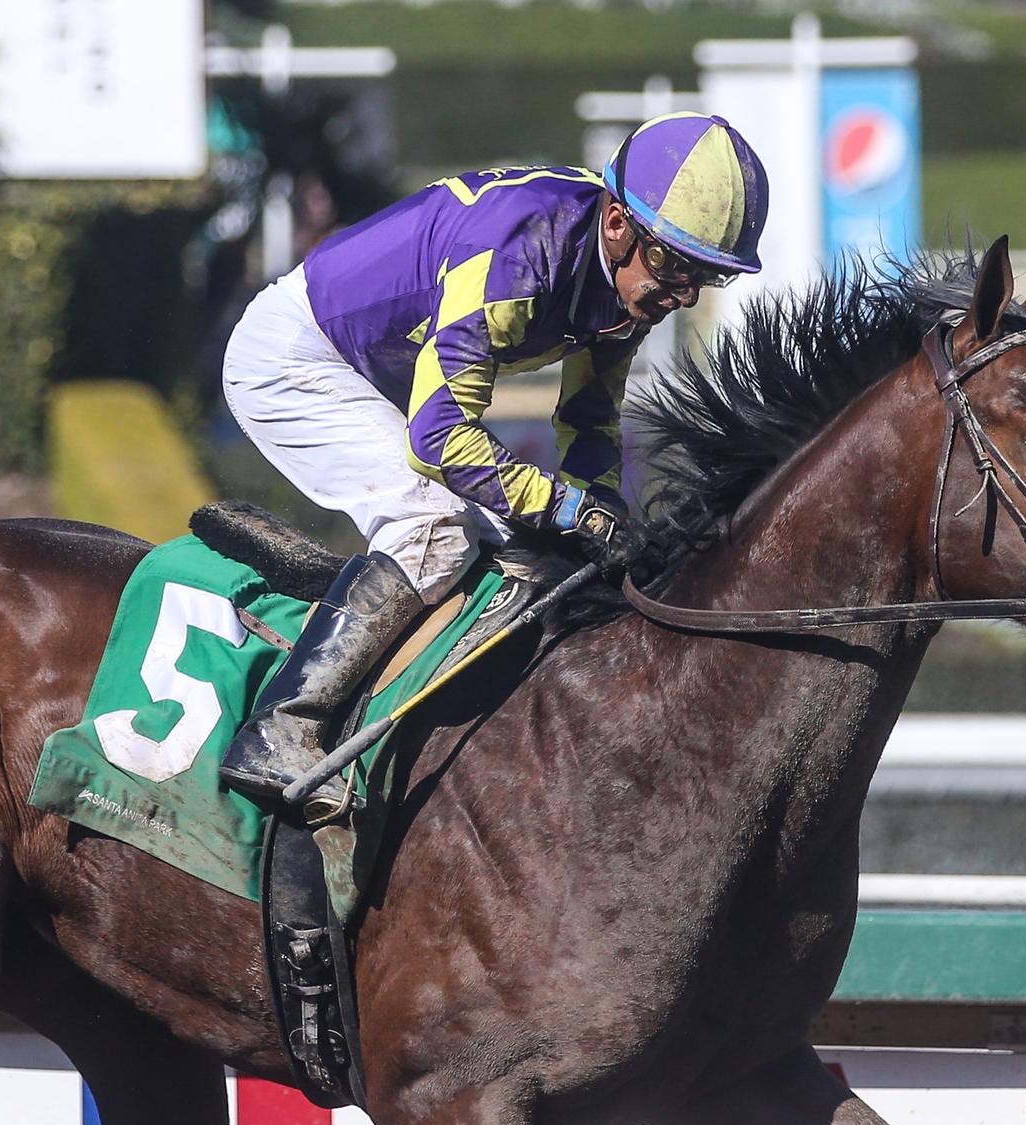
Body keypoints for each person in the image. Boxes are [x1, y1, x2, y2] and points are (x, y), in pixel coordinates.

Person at [217, 111, 769, 821]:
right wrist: (568, 507)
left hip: (379, 376)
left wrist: (598, 518)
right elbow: (439, 438)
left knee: (530, 555)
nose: (685, 294)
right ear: (616, 224)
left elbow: (589, 421)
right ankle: (284, 728)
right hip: (295, 358)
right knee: (436, 531)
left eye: (706, 275)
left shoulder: (627, 279)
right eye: (675, 264)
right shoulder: (521, 254)